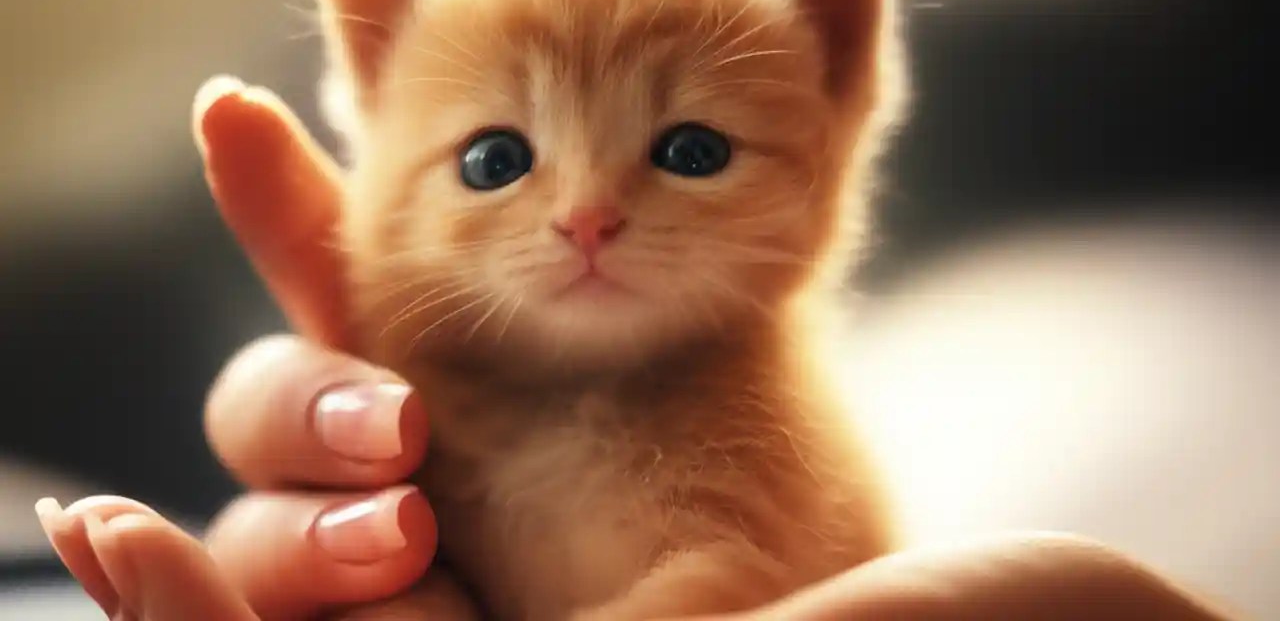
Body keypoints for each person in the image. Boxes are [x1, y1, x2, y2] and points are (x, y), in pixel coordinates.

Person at [37, 79, 1240, 621]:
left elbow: (738, 570)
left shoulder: (757, 416)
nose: (585, 216)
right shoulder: (403, 378)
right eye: (499, 160)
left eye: (688, 148)